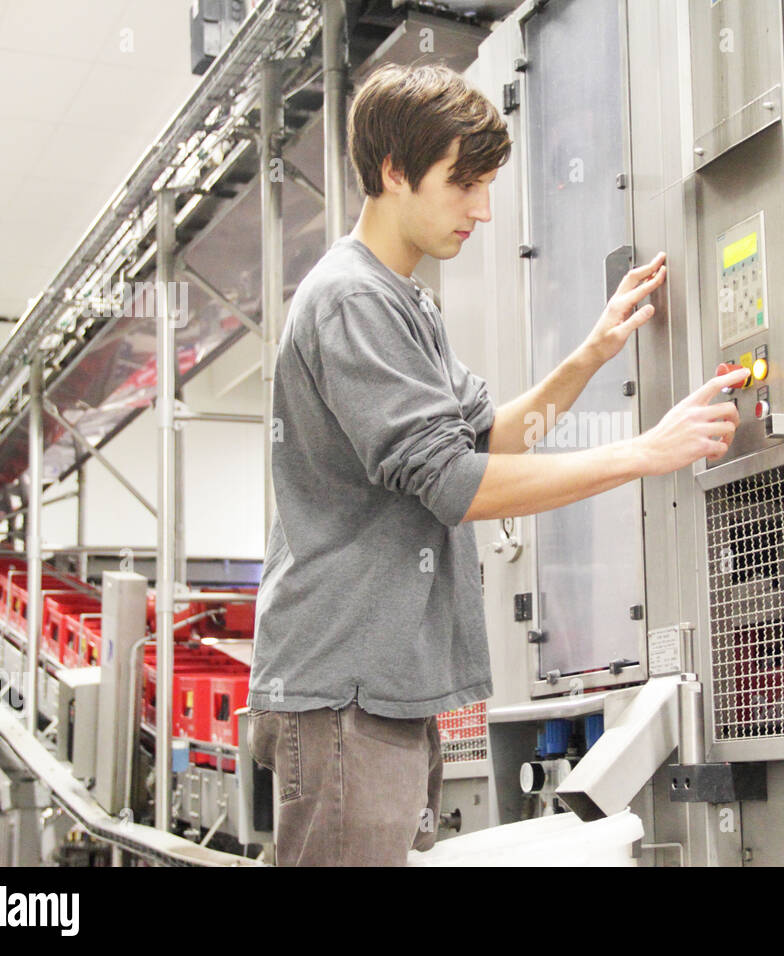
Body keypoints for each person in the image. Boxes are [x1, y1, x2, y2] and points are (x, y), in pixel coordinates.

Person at [246, 63, 744, 866]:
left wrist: (593, 352)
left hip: (385, 692)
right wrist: (646, 452)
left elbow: (488, 440)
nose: (481, 209)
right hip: (342, 690)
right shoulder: (351, 300)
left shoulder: (409, 303)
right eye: (461, 183)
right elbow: (454, 484)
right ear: (393, 172)